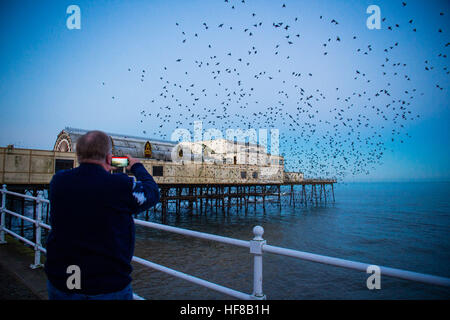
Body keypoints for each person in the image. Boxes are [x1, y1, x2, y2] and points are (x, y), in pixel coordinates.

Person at [44, 130, 160, 300]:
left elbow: (89, 188)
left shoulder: (58, 181)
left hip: (64, 279)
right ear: (108, 158)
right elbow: (152, 192)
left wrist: (102, 168)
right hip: (107, 284)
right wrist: (136, 166)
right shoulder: (120, 185)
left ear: (78, 155)